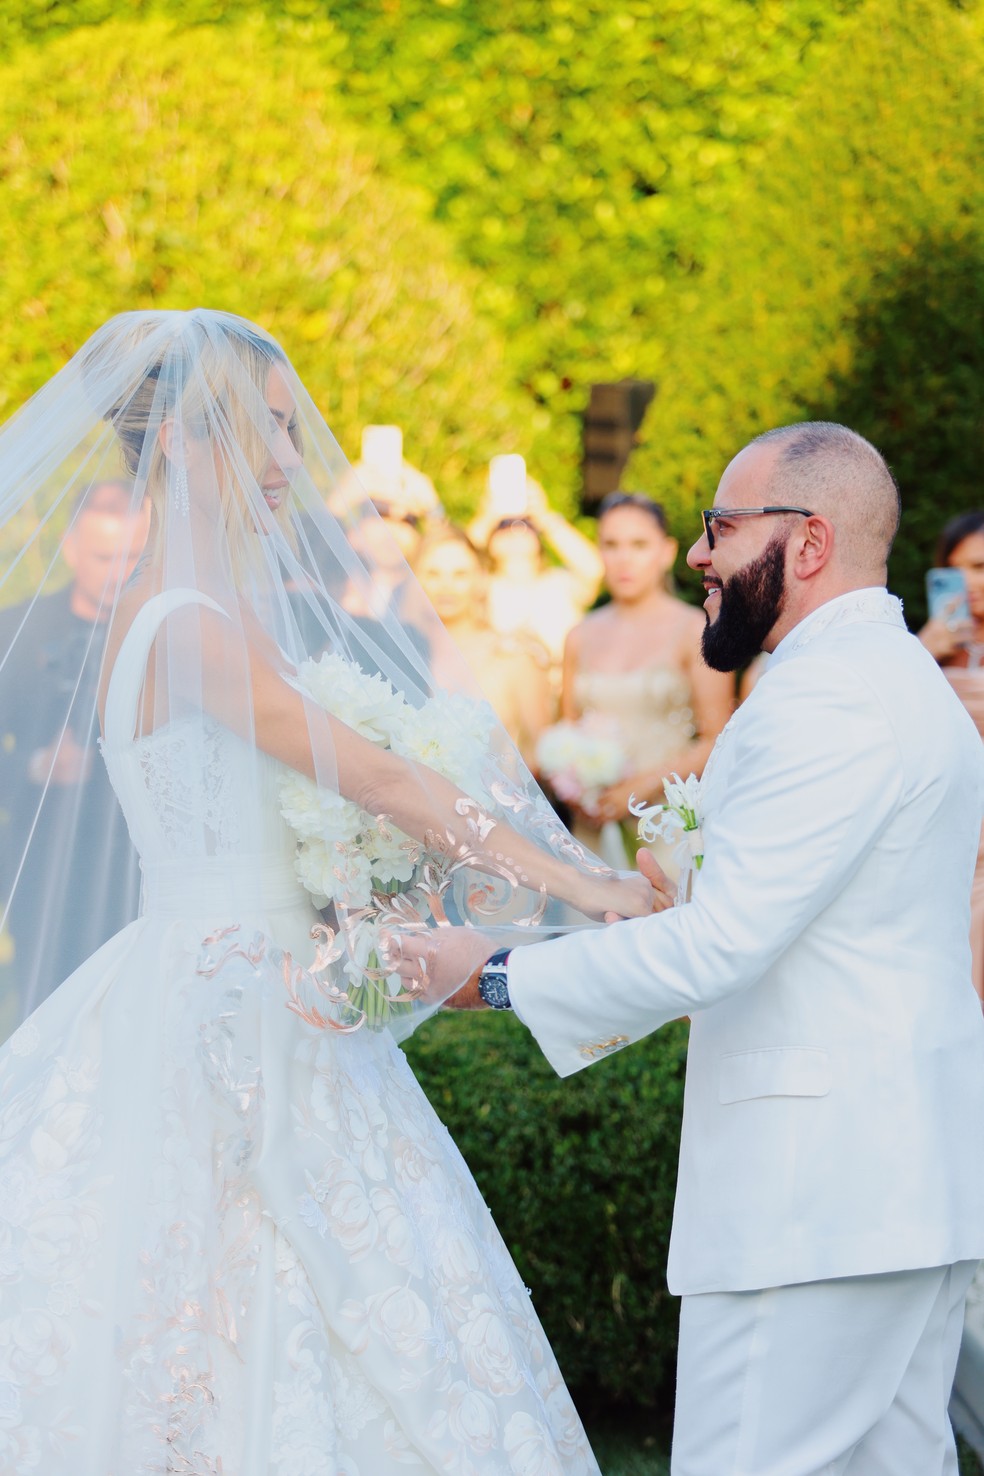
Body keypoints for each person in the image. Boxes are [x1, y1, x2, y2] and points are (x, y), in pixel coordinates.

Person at [0, 309, 655, 1474]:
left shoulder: (206, 613)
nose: (288, 462)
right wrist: (581, 884)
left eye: (286, 432)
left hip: (262, 977)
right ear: (191, 445)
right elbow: (376, 774)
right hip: (233, 1004)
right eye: (267, 430)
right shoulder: (187, 625)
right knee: (254, 1286)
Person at [398, 423, 984, 1474]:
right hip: (898, 1188)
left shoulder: (826, 699)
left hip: (815, 1199)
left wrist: (486, 976)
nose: (698, 556)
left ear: (807, 544)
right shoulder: (894, 677)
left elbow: (722, 951)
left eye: (719, 528)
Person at [0, 479, 148, 1017]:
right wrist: (32, 764)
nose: (118, 572)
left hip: (147, 867)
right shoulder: (15, 629)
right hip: (43, 866)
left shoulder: (170, 633)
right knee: (52, 1016)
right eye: (104, 556)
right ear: (70, 548)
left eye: (132, 555)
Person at [558, 491, 732, 871]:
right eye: (611, 545)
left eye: (638, 545)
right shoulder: (579, 636)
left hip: (668, 825)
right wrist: (575, 789)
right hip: (593, 827)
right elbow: (567, 732)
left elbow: (717, 738)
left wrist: (640, 788)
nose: (624, 559)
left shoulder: (695, 629)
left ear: (667, 551)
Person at [413, 525, 552, 766]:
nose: (446, 585)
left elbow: (542, 754)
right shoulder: (400, 651)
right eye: (433, 574)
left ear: (481, 579)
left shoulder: (513, 656)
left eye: (460, 574)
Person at [918, 509, 984, 1000]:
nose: (968, 582)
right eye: (956, 568)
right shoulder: (927, 645)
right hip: (941, 829)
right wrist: (925, 648)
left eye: (980, 567)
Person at [469, 469, 604, 677]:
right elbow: (456, 559)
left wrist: (546, 518)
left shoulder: (560, 583)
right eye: (502, 525)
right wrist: (487, 516)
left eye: (526, 523)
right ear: (489, 539)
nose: (514, 531)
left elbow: (593, 568)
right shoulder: (481, 587)